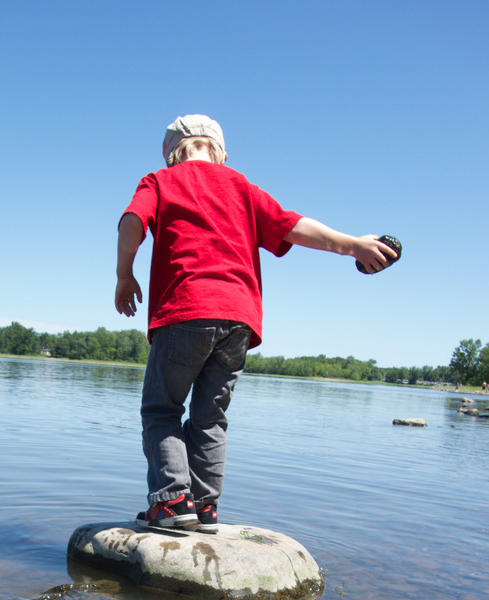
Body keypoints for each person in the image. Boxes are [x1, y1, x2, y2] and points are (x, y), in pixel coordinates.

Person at [115, 114, 396, 532]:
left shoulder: (159, 181)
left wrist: (124, 275)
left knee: (161, 409)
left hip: (185, 309)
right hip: (239, 320)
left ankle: (173, 504)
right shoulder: (241, 187)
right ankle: (204, 506)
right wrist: (352, 245)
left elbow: (132, 221)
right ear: (222, 154)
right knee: (209, 418)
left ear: (171, 153)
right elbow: (294, 226)